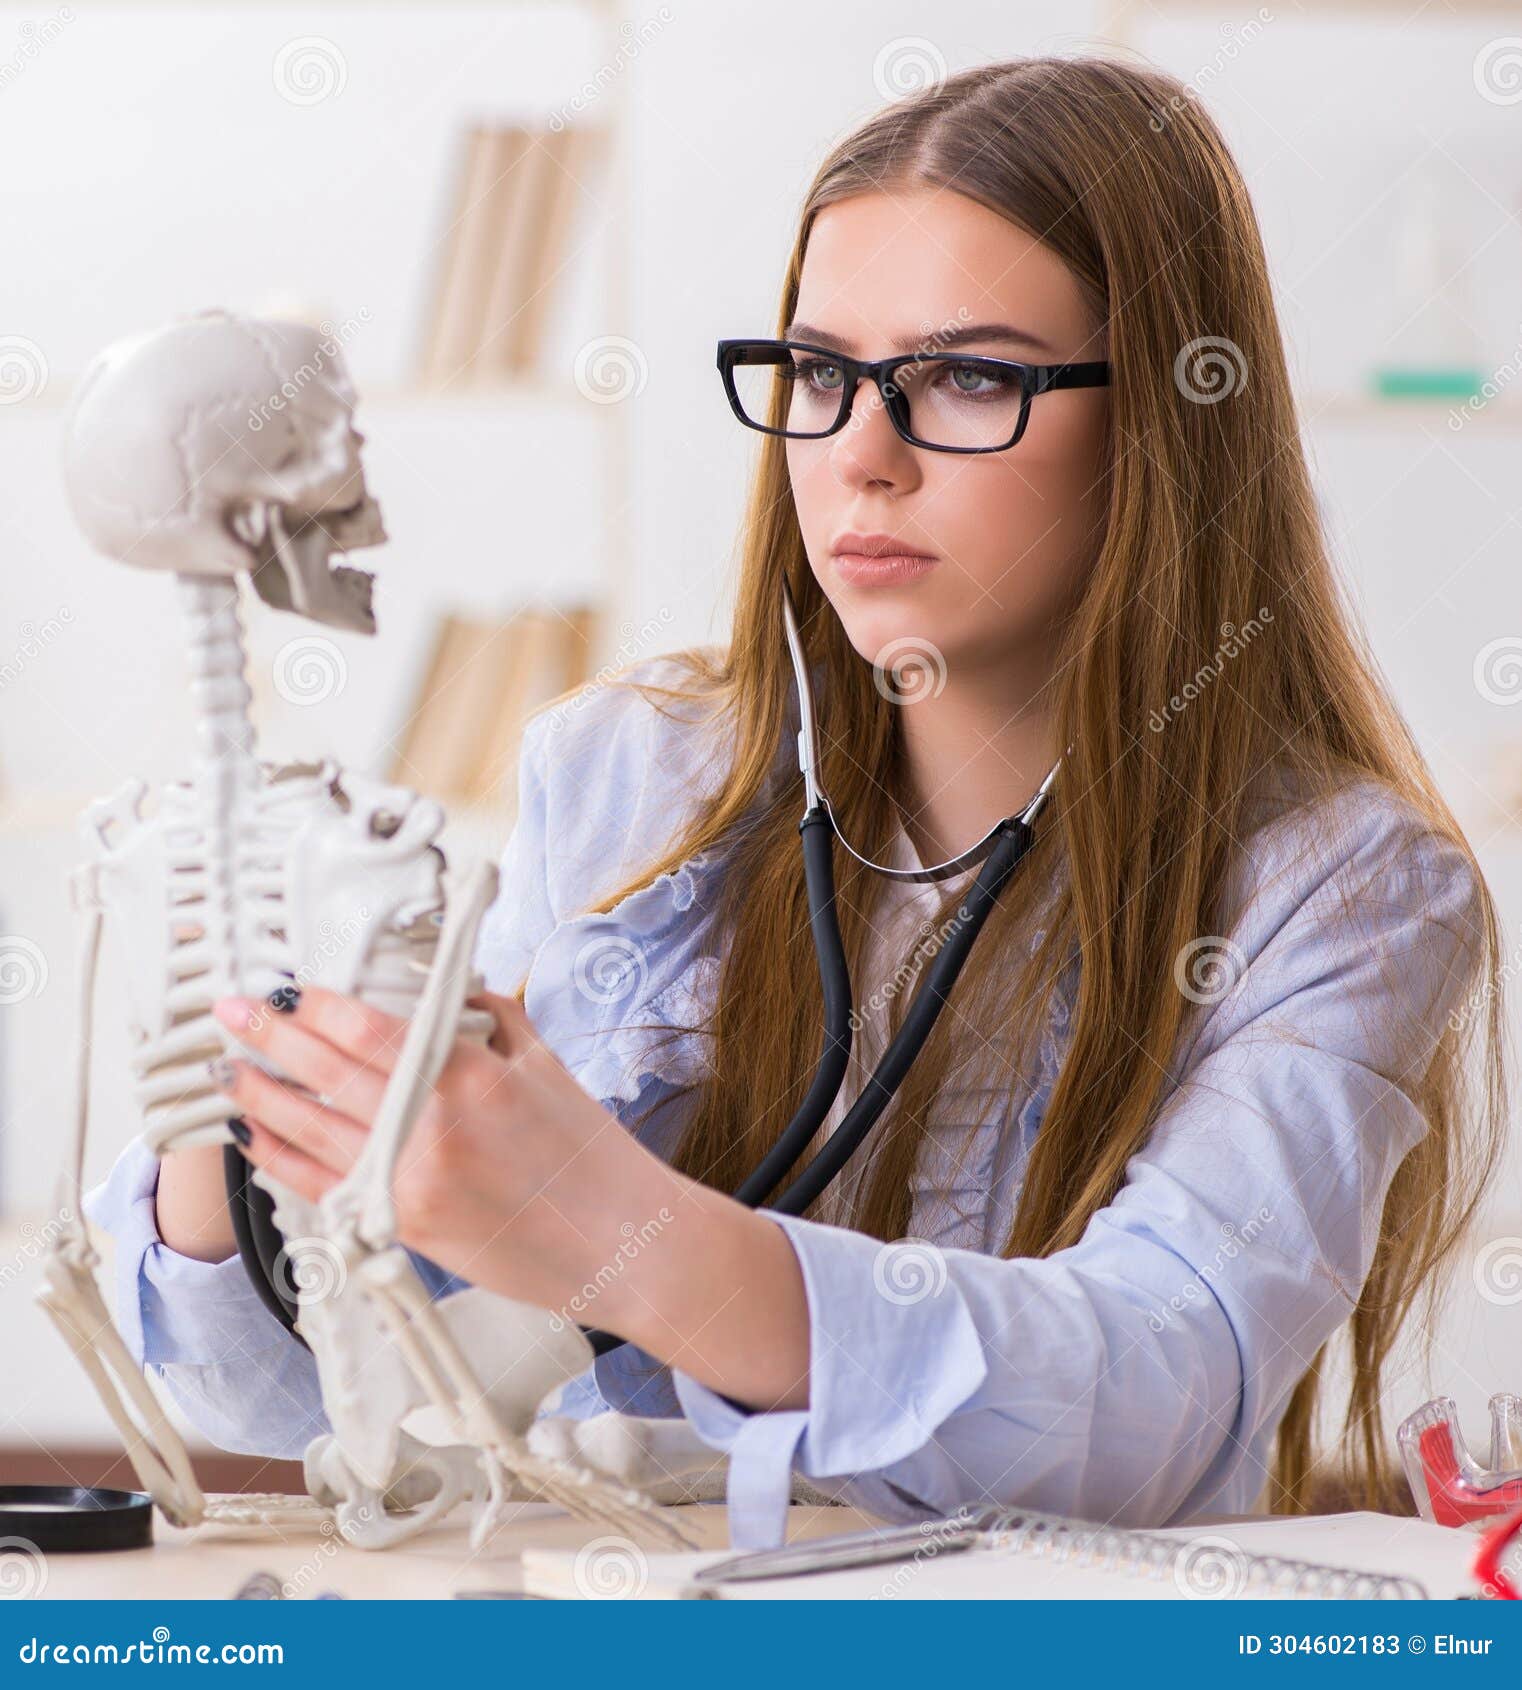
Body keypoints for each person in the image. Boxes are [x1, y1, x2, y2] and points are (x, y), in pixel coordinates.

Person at [87, 53, 1506, 1552]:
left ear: (1162, 418)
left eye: (967, 376)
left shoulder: (1344, 887)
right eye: (820, 373)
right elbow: (275, 1398)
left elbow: (1156, 1397)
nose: (858, 456)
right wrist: (234, 1094)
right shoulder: (629, 774)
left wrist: (623, 1234)